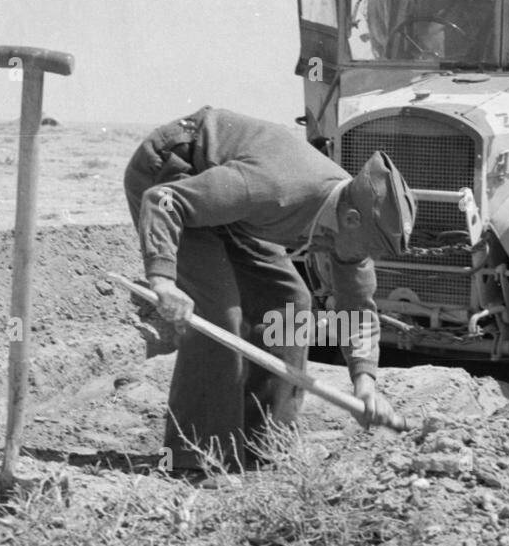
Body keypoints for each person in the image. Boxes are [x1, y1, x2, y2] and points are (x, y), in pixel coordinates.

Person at [124, 107, 417, 474]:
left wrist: (365, 384)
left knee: (289, 304)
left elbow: (357, 310)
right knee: (218, 312)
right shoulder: (277, 190)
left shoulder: (350, 222)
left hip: (230, 208)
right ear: (352, 219)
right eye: (369, 250)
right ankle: (195, 459)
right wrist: (163, 280)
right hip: (174, 174)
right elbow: (163, 200)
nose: (366, 260)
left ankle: (263, 444)